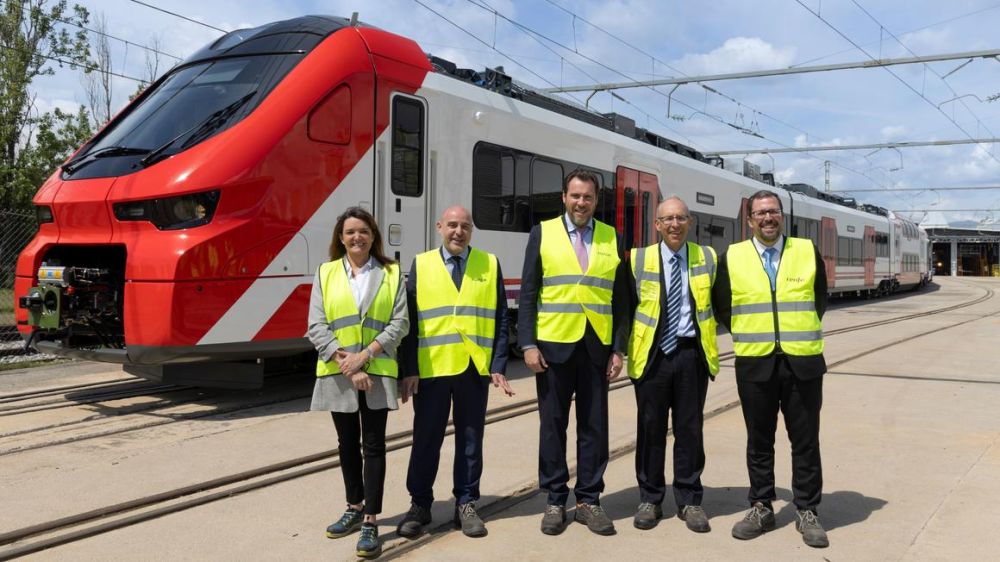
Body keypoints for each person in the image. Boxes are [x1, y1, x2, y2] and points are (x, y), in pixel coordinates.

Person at [712, 190, 830, 548]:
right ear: (749, 220)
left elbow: (819, 299)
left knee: (805, 441)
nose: (768, 218)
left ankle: (807, 509)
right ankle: (761, 505)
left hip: (803, 362)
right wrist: (755, 334)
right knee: (759, 440)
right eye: (760, 213)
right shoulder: (732, 257)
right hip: (756, 362)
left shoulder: (806, 251)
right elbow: (723, 307)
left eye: (773, 212)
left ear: (782, 216)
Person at [518, 168, 629, 536]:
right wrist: (528, 343)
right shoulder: (543, 233)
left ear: (597, 202)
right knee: (553, 426)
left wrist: (618, 348)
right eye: (575, 196)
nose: (581, 202)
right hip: (553, 346)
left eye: (588, 197)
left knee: (595, 427)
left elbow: (620, 298)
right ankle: (554, 499)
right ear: (563, 198)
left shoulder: (612, 237)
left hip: (596, 346)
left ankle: (588, 500)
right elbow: (529, 293)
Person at [395, 206, 515, 539]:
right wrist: (410, 369)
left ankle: (466, 503)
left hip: (473, 369)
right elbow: (410, 323)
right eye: (452, 225)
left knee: (471, 440)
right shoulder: (422, 264)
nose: (458, 232)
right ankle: (420, 504)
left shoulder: (488, 264)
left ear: (471, 231)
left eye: (464, 226)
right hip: (432, 369)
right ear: (439, 227)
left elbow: (501, 317)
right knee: (425, 440)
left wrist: (498, 364)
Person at [307, 207, 409, 558]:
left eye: (363, 231)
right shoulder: (325, 272)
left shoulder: (392, 272)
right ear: (340, 237)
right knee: (346, 443)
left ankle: (370, 519)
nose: (357, 237)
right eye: (350, 232)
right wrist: (347, 362)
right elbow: (316, 325)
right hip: (339, 372)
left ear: (373, 236)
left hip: (376, 371)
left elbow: (400, 323)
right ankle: (353, 505)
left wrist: (363, 357)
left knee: (375, 446)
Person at [625, 196, 720, 533]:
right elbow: (625, 308)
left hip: (691, 354)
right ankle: (650, 499)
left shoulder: (707, 258)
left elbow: (720, 304)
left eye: (681, 218)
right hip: (652, 356)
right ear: (657, 225)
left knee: (690, 431)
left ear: (689, 222)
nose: (675, 224)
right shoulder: (638, 259)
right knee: (650, 431)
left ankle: (690, 500)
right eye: (668, 219)